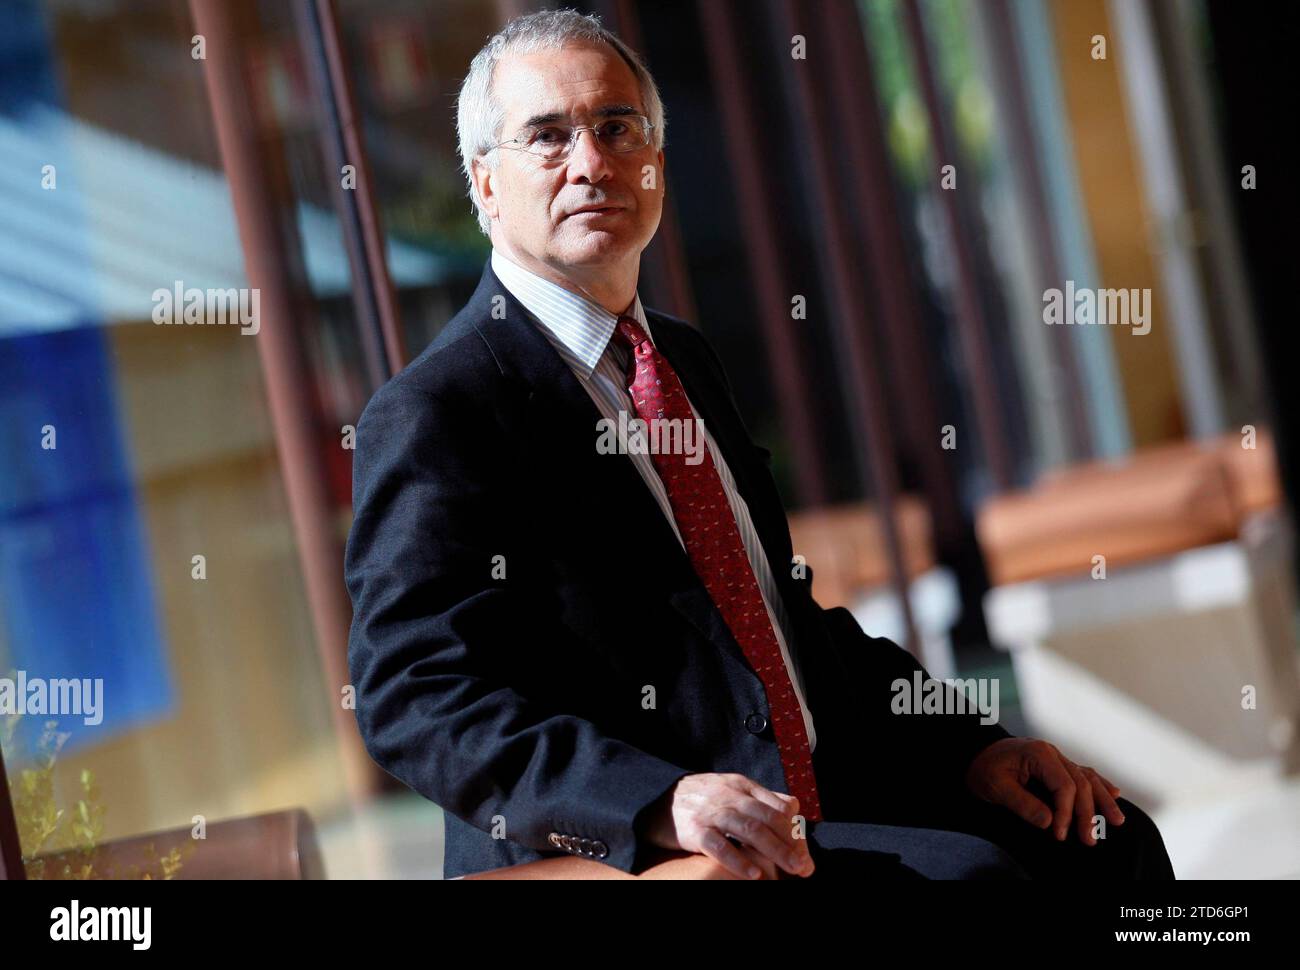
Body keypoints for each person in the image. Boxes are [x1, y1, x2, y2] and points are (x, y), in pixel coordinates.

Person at [344, 8, 1174, 881]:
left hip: (813, 794)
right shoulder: (438, 410)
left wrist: (971, 745)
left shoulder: (680, 359)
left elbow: (781, 618)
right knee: (978, 880)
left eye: (617, 128)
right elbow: (413, 694)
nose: (590, 163)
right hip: (661, 849)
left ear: (657, 160)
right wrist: (654, 802)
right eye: (546, 138)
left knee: (1109, 841)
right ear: (483, 182)